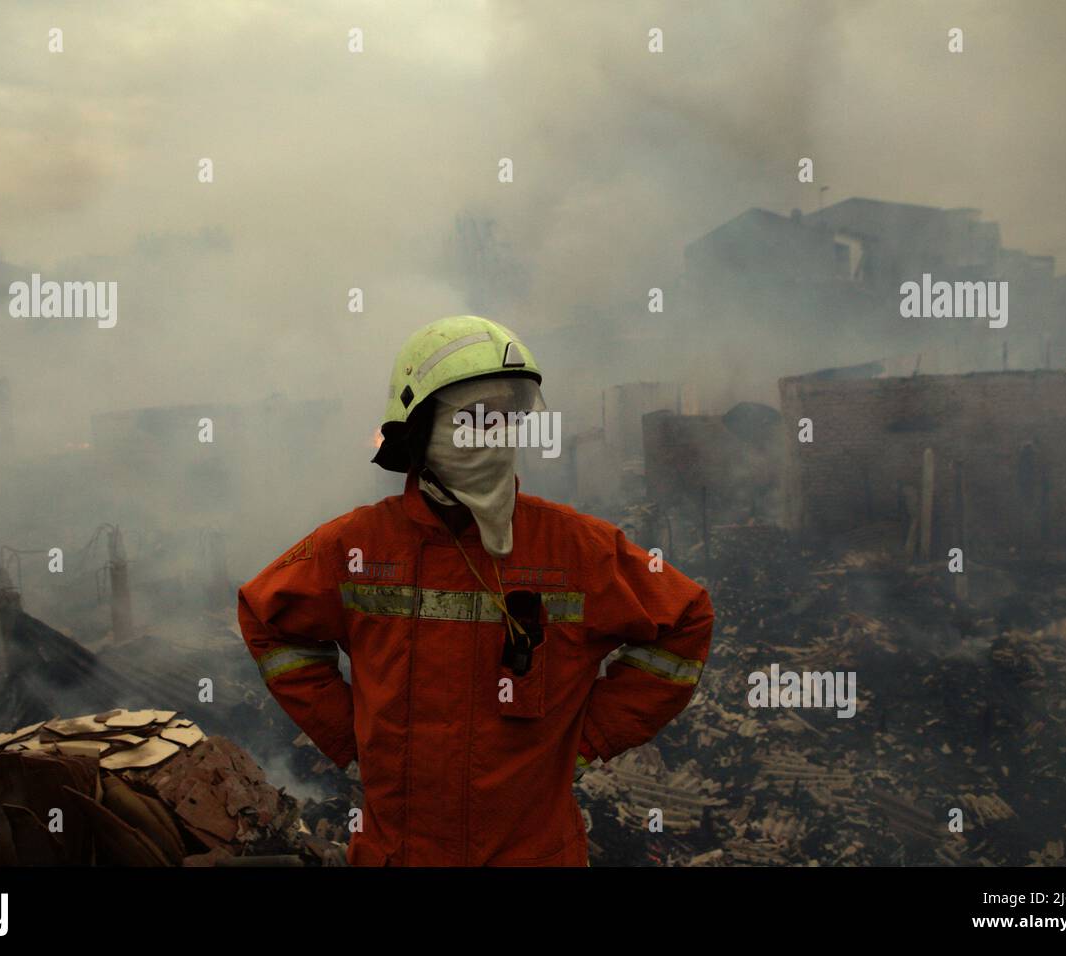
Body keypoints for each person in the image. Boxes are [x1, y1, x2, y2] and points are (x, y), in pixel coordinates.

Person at [237, 315, 714, 866]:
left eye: (508, 420)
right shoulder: (357, 547)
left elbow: (686, 618)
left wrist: (589, 741)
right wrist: (352, 739)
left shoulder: (577, 548)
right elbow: (266, 615)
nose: (494, 437)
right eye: (475, 420)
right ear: (420, 429)